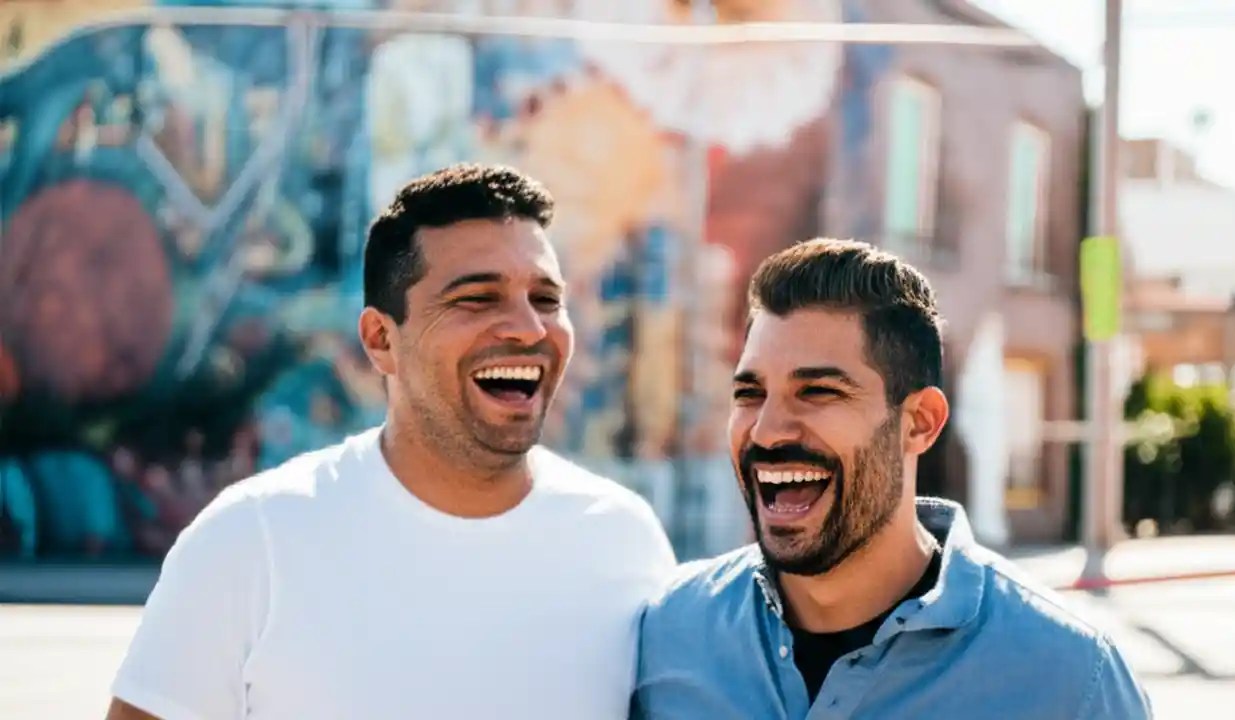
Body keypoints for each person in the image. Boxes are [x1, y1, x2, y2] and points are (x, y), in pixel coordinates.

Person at [107, 164, 676, 720]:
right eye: (477, 298)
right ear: (381, 340)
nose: (529, 328)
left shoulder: (624, 539)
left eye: (546, 299)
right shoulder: (251, 541)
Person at [630, 238, 1151, 719]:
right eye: (749, 394)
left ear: (920, 422)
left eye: (818, 392)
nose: (766, 431)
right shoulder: (670, 633)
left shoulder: (1072, 679)